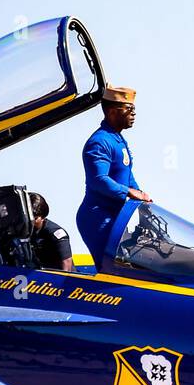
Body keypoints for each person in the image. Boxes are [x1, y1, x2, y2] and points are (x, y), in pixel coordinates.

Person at [77, 86, 151, 262]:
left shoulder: (116, 139)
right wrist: (127, 192)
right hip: (98, 218)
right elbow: (98, 180)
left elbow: (126, 174)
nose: (133, 113)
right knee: (114, 270)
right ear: (111, 112)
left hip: (115, 217)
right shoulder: (100, 142)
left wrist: (141, 196)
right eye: (129, 109)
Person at [27, 191, 74, 272]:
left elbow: (67, 265)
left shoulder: (56, 233)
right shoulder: (21, 232)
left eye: (35, 218)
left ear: (43, 217)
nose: (31, 222)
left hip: (56, 279)